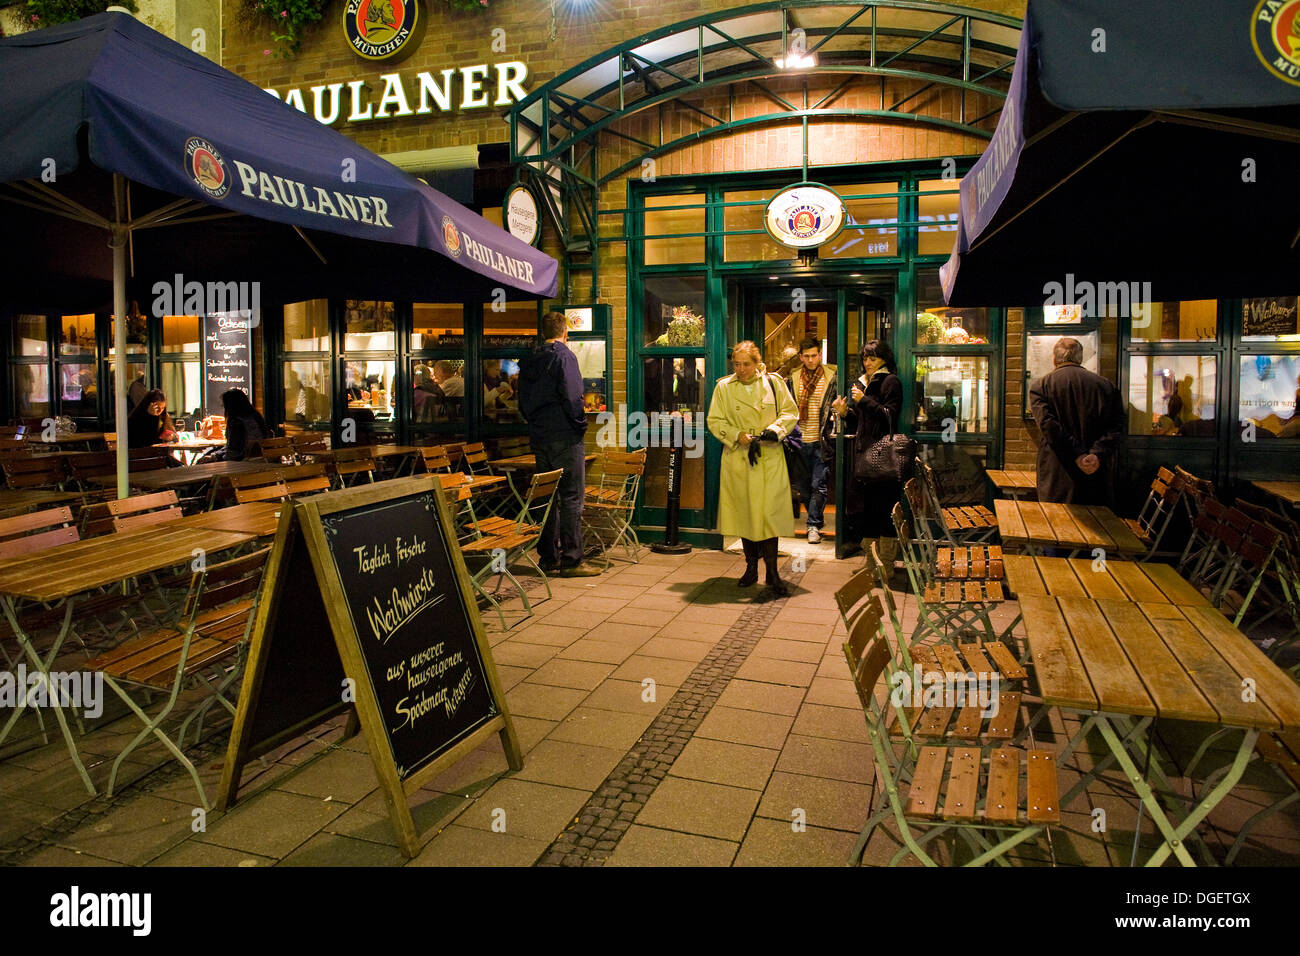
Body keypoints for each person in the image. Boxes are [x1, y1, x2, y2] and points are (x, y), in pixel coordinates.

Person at [707, 340, 799, 595]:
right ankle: (750, 568)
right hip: (740, 457)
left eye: (746, 364)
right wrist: (737, 435)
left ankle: (772, 571)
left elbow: (791, 413)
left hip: (769, 457)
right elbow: (714, 419)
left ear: (757, 363)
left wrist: (775, 430)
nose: (741, 369)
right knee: (746, 514)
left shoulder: (774, 383)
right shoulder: (724, 388)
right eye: (736, 364)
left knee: (769, 515)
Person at [518, 311, 601, 577]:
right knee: (572, 497)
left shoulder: (530, 360)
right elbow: (573, 397)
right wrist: (580, 425)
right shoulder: (564, 356)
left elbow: (522, 402)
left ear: (543, 333)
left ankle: (548, 557)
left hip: (539, 437)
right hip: (565, 437)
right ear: (566, 331)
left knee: (547, 497)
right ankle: (572, 560)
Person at [1028, 337, 1125, 505]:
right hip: (1096, 473)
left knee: (1055, 524)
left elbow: (1049, 427)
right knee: (1095, 524)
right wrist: (1095, 454)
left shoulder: (1041, 387)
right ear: (1080, 358)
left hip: (1057, 471)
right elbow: (1116, 427)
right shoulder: (1106, 387)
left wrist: (1077, 454)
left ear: (1054, 358)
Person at [831, 340, 904, 566]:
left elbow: (889, 416)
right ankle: (872, 566)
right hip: (865, 456)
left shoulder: (890, 381)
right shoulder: (865, 383)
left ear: (884, 359)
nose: (868, 363)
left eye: (873, 358)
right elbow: (864, 421)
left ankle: (887, 565)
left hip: (883, 457)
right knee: (867, 510)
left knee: (883, 510)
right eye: (865, 358)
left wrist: (864, 400)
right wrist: (845, 413)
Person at [785, 337, 837, 544]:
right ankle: (817, 519)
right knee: (803, 486)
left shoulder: (832, 376)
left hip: (821, 439)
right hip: (799, 439)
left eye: (814, 355)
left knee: (819, 484)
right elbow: (787, 408)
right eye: (806, 356)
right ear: (800, 357)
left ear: (820, 355)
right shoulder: (794, 377)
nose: (811, 360)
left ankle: (813, 525)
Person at [220, 388, 274, 462]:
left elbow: (234, 451)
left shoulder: (237, 422)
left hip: (244, 463)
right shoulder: (256, 417)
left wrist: (215, 457)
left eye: (224, 405)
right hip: (262, 459)